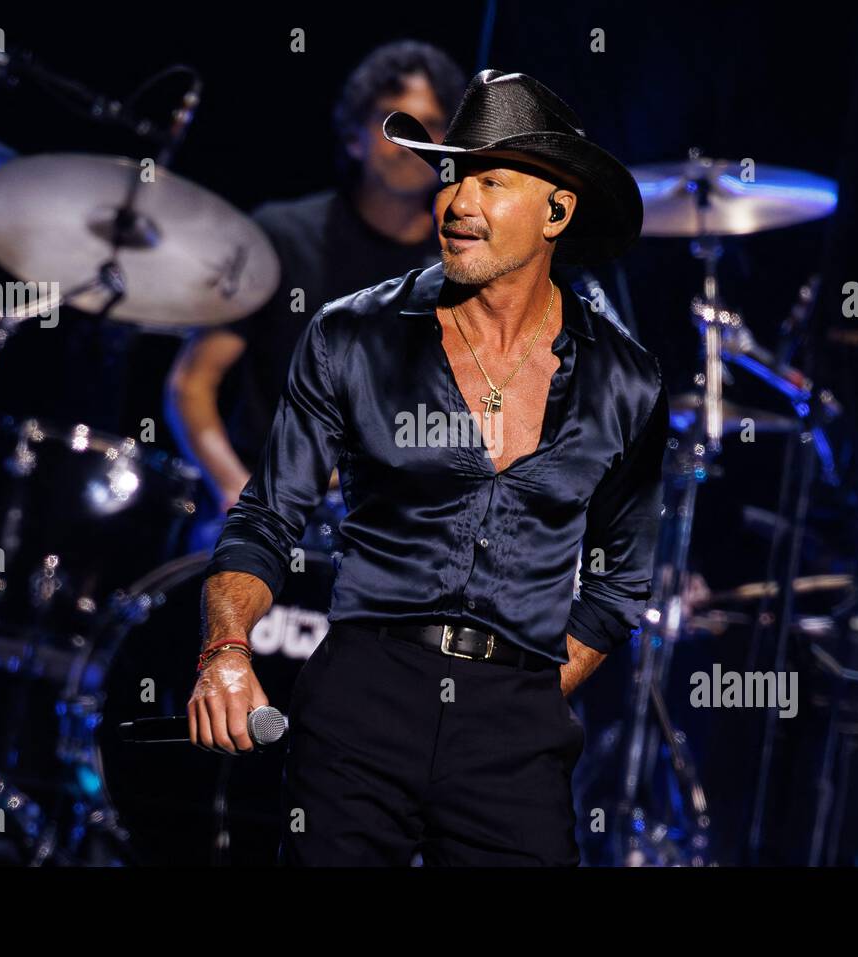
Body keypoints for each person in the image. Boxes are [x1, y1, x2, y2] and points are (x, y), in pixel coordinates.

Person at [186, 69, 666, 866]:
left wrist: (522, 698)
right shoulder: (352, 336)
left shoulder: (628, 379)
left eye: (491, 180)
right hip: (362, 701)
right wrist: (225, 650)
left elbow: (619, 585)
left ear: (558, 208)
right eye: (451, 175)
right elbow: (266, 521)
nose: (457, 203)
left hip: (517, 730)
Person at [165, 41, 465, 550]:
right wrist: (232, 488)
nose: (412, 140)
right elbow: (192, 382)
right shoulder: (280, 235)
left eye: (431, 126)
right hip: (256, 514)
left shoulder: (461, 266)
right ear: (353, 136)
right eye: (394, 121)